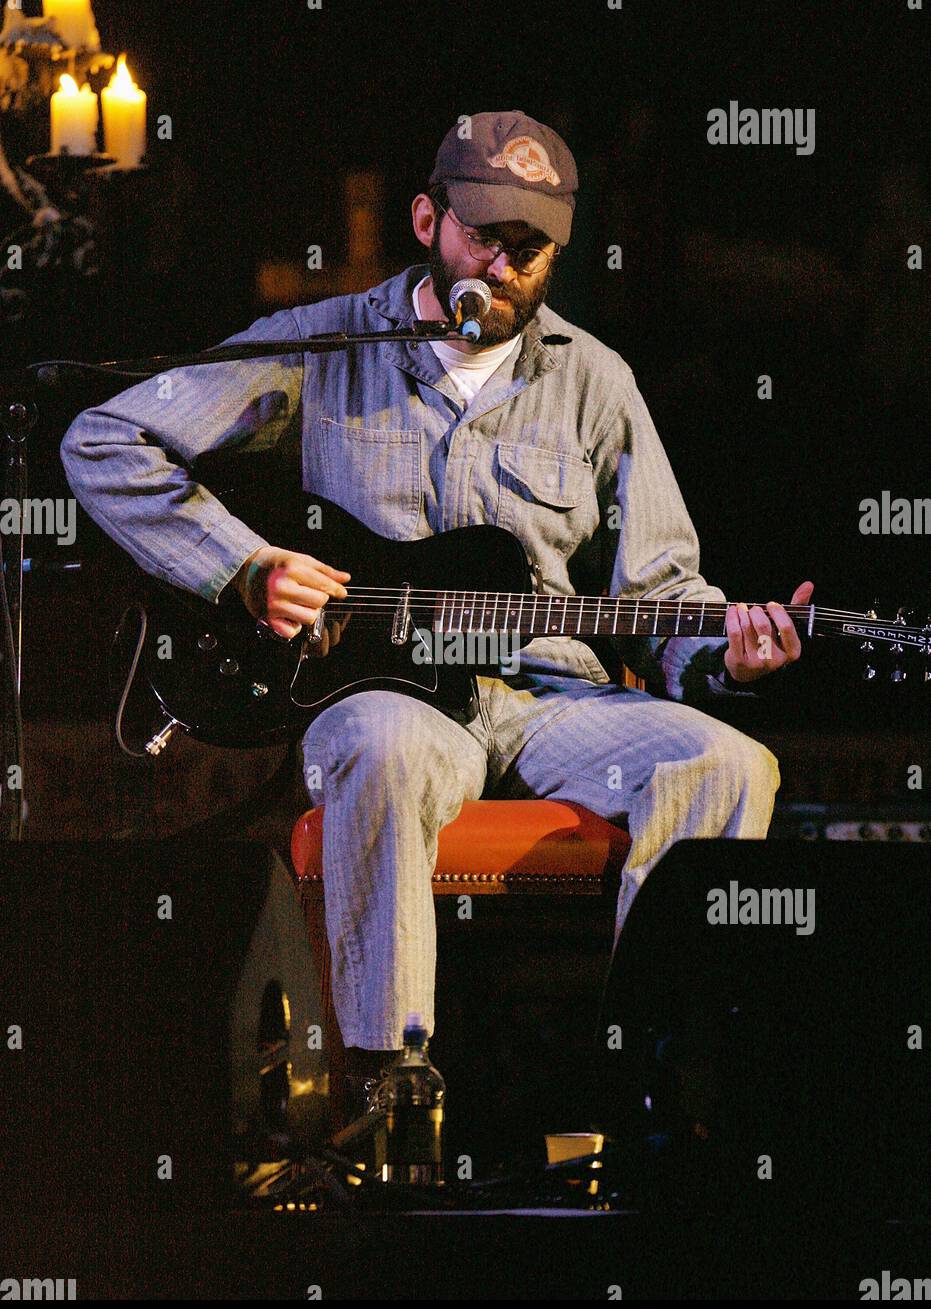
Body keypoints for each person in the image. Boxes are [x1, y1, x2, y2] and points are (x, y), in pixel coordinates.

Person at [60, 111, 811, 1107]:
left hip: (553, 706)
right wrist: (241, 567)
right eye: (483, 234)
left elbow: (658, 601)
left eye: (529, 247)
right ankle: (389, 1087)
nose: (502, 264)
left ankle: (655, 1087)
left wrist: (725, 657)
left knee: (726, 761)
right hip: (395, 700)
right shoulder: (328, 344)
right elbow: (105, 440)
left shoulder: (596, 381)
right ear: (428, 218)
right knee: (382, 737)